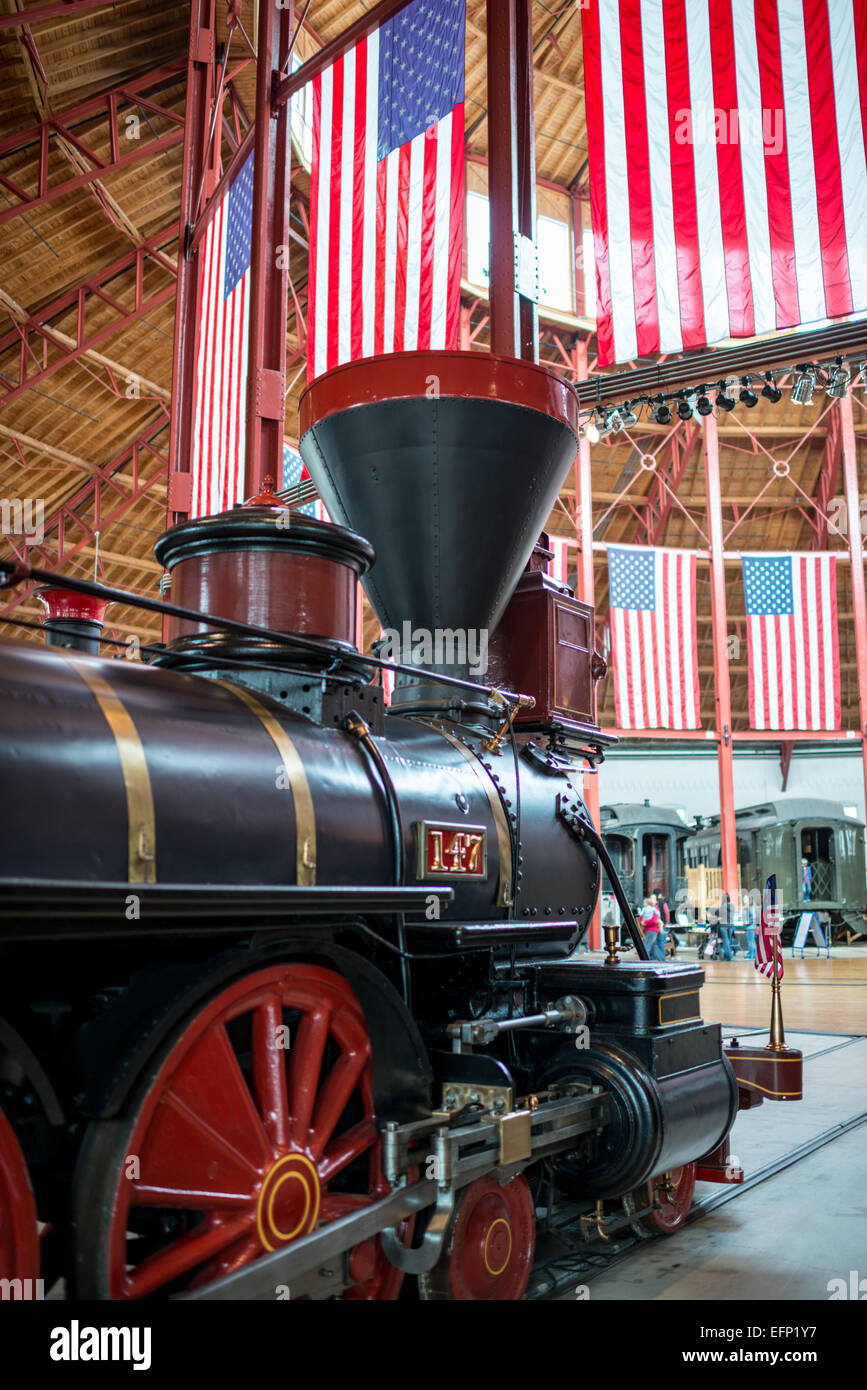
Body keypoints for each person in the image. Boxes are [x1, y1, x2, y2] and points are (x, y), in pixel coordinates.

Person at [639, 896, 666, 961]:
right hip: (651, 930)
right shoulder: (647, 909)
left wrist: (644, 922)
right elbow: (641, 917)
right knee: (654, 947)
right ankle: (662, 960)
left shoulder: (653, 909)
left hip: (652, 930)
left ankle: (645, 961)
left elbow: (654, 921)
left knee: (647, 947)